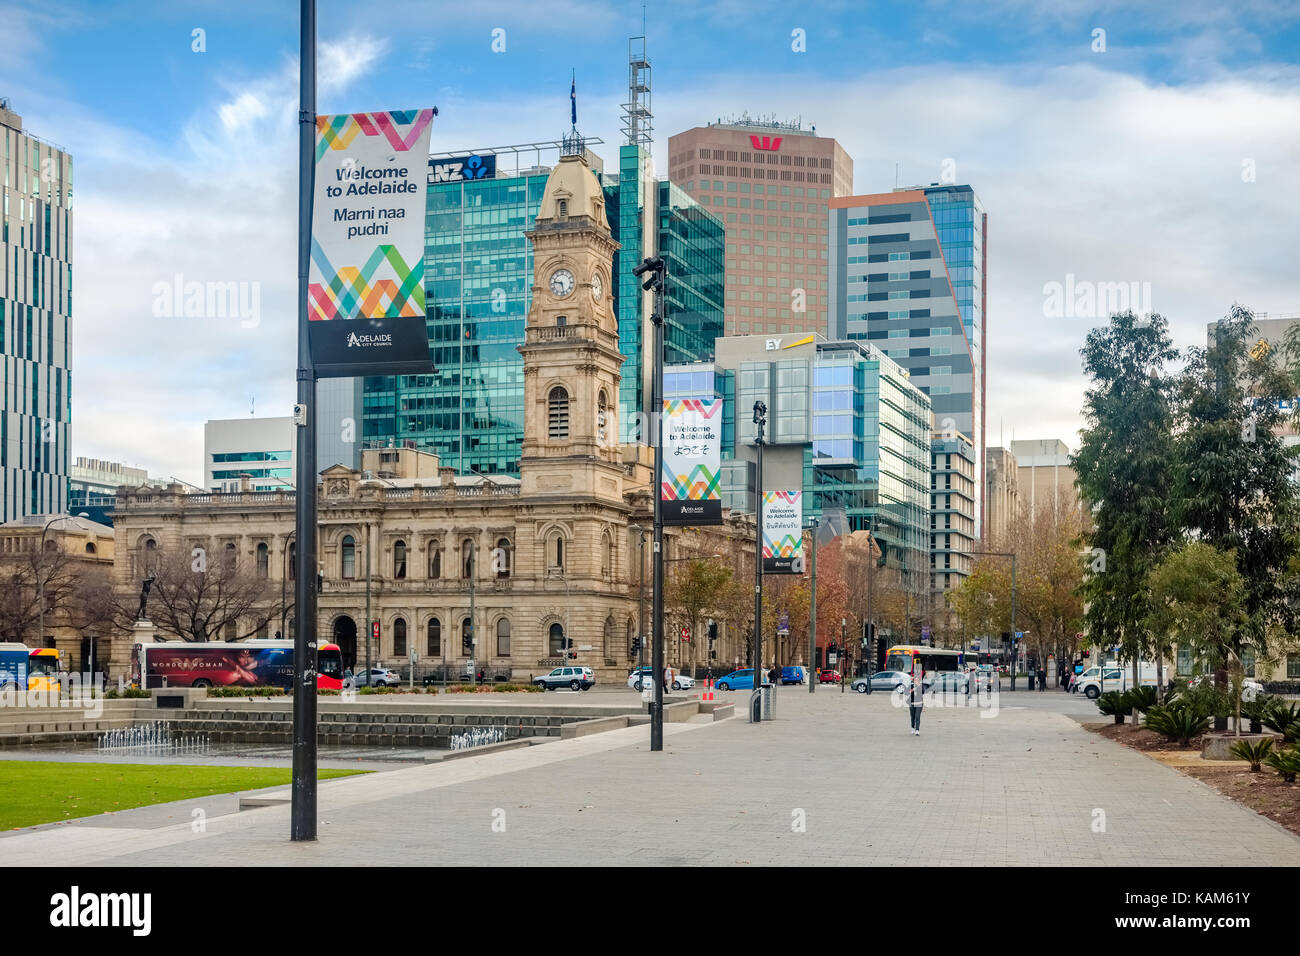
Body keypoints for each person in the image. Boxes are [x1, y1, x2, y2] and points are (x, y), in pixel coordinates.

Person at [907, 664, 924, 735]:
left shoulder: (921, 687)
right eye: (915, 680)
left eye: (918, 680)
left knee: (917, 717)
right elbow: (907, 692)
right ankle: (912, 728)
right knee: (912, 717)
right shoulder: (910, 686)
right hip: (912, 704)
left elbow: (923, 692)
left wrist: (917, 687)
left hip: (919, 704)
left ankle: (917, 730)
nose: (916, 681)